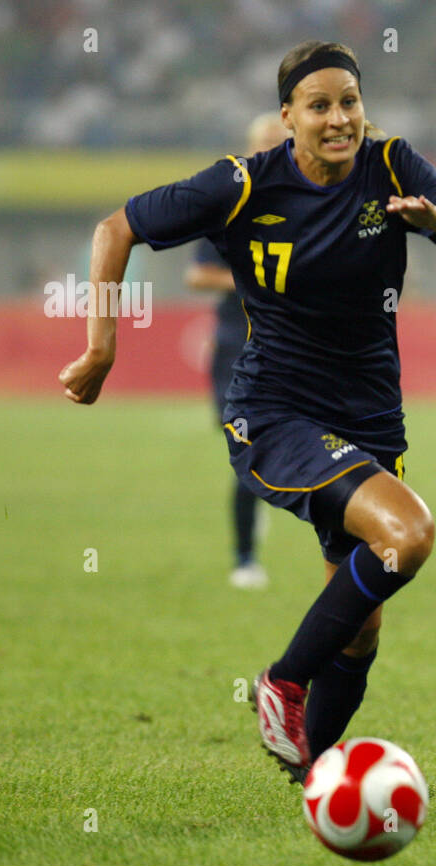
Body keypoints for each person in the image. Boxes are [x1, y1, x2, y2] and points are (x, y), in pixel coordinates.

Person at [60, 40, 436, 783]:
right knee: (411, 534)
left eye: (350, 102)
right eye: (321, 106)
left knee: (362, 631)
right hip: (275, 413)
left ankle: (313, 780)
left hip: (370, 423)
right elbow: (116, 230)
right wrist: (102, 346)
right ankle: (284, 681)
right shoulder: (243, 185)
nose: (340, 119)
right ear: (288, 118)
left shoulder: (394, 166)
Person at [184, 113, 290, 591]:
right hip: (235, 344)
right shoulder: (228, 206)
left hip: (292, 345)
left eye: (280, 141)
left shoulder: (312, 204)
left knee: (268, 446)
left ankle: (246, 556)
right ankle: (246, 552)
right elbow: (197, 274)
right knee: (246, 449)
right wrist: (252, 283)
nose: (271, 150)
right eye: (263, 143)